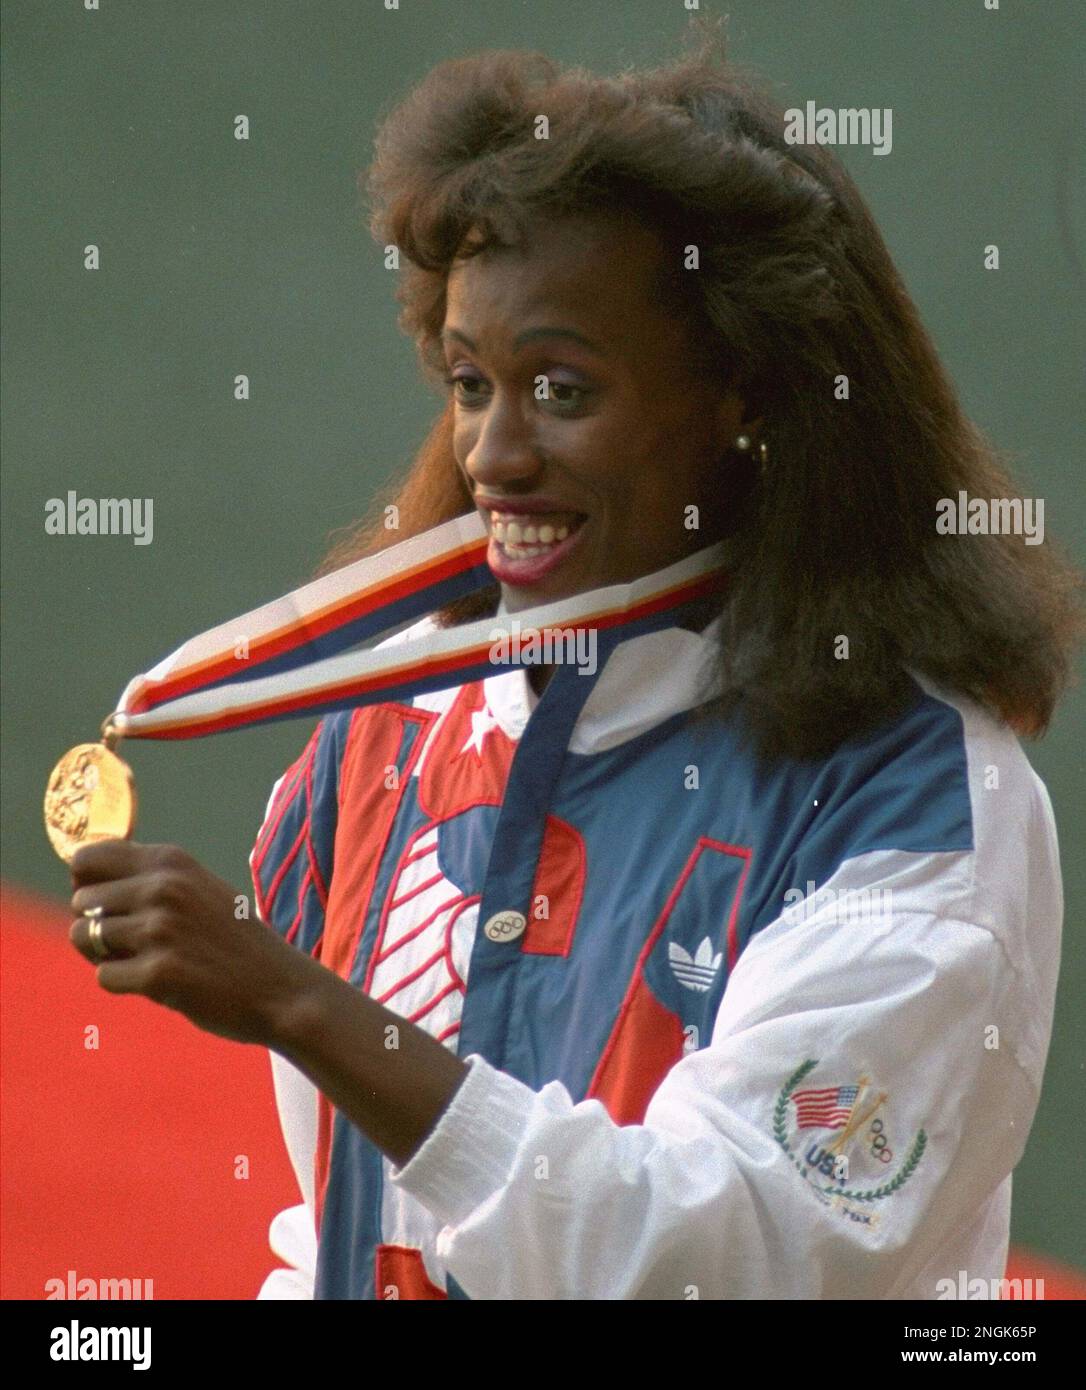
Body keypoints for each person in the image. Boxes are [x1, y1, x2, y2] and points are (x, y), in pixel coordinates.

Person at [69, 24, 1081, 1300]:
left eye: (561, 388)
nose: (494, 453)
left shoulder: (917, 803)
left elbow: (724, 1259)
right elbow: (332, 1227)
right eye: (469, 381)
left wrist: (305, 1005)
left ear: (746, 395)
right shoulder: (390, 723)